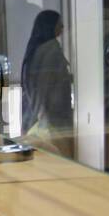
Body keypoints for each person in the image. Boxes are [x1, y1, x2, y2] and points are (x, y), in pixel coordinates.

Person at [20, 10, 75, 156]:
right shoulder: (51, 49)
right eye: (59, 25)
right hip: (52, 120)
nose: (62, 29)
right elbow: (48, 87)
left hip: (35, 117)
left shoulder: (34, 49)